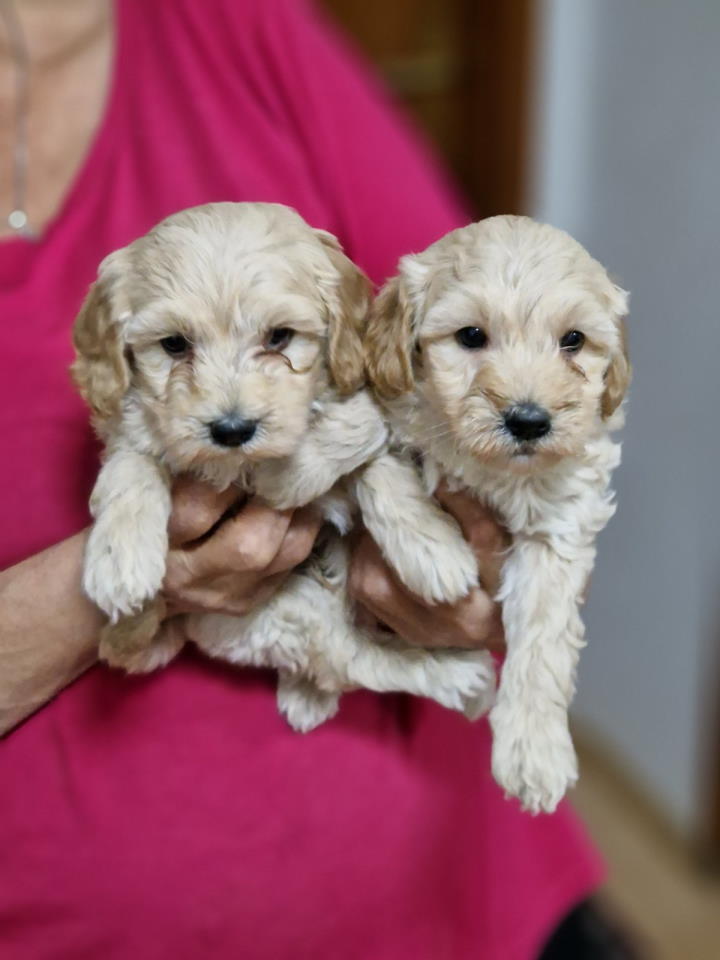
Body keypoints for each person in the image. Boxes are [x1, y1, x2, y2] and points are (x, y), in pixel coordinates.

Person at [0, 1, 605, 957]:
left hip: (444, 868)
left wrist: (486, 555)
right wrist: (115, 589)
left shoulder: (235, 25)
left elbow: (477, 333)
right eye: (173, 347)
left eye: (280, 339)